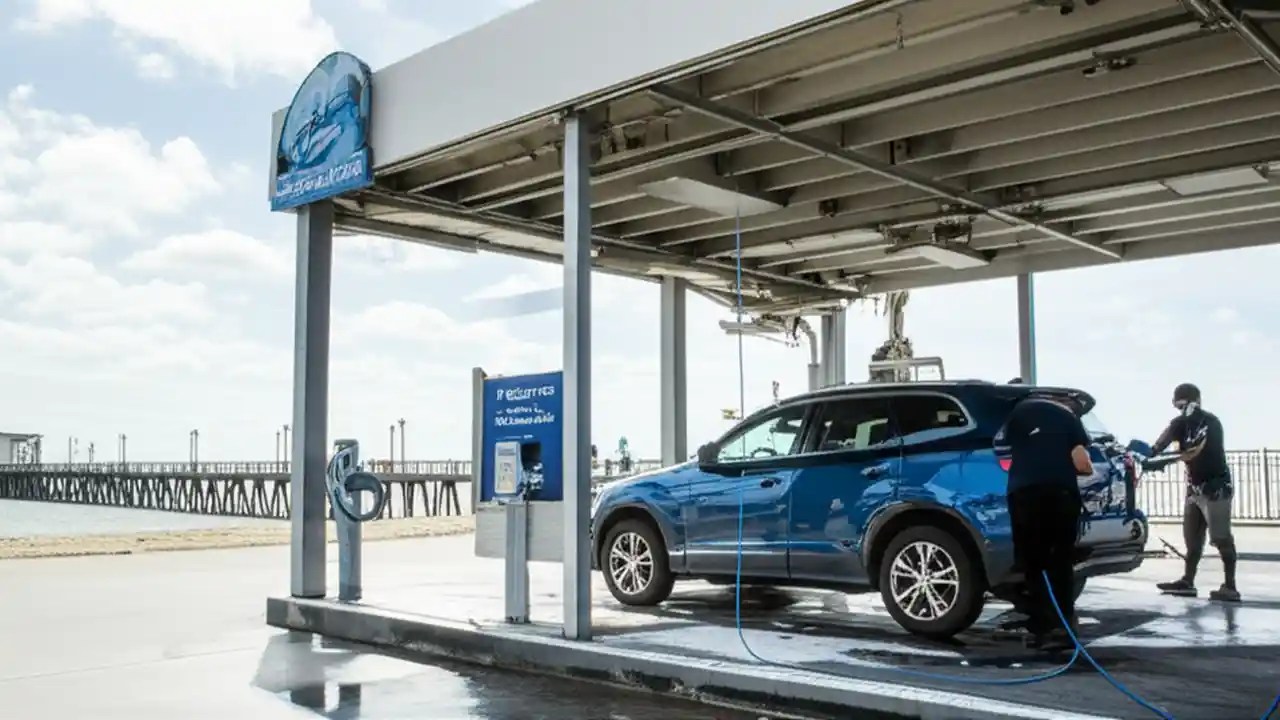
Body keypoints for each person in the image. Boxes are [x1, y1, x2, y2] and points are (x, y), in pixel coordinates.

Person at [1003, 394, 1094, 648]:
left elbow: (1003, 449)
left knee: (1032, 563)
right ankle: (1062, 628)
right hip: (1060, 494)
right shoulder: (1068, 416)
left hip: (1024, 494)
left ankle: (1039, 628)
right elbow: (1082, 461)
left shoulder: (1015, 414)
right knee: (1060, 561)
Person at [1150, 383, 1241, 602]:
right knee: (1192, 539)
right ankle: (1187, 580)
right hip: (1194, 489)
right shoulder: (1179, 423)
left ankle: (1230, 586)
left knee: (1221, 537)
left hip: (1216, 487)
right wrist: (1149, 455)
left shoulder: (1210, 422)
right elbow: (1159, 444)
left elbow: (1202, 450)